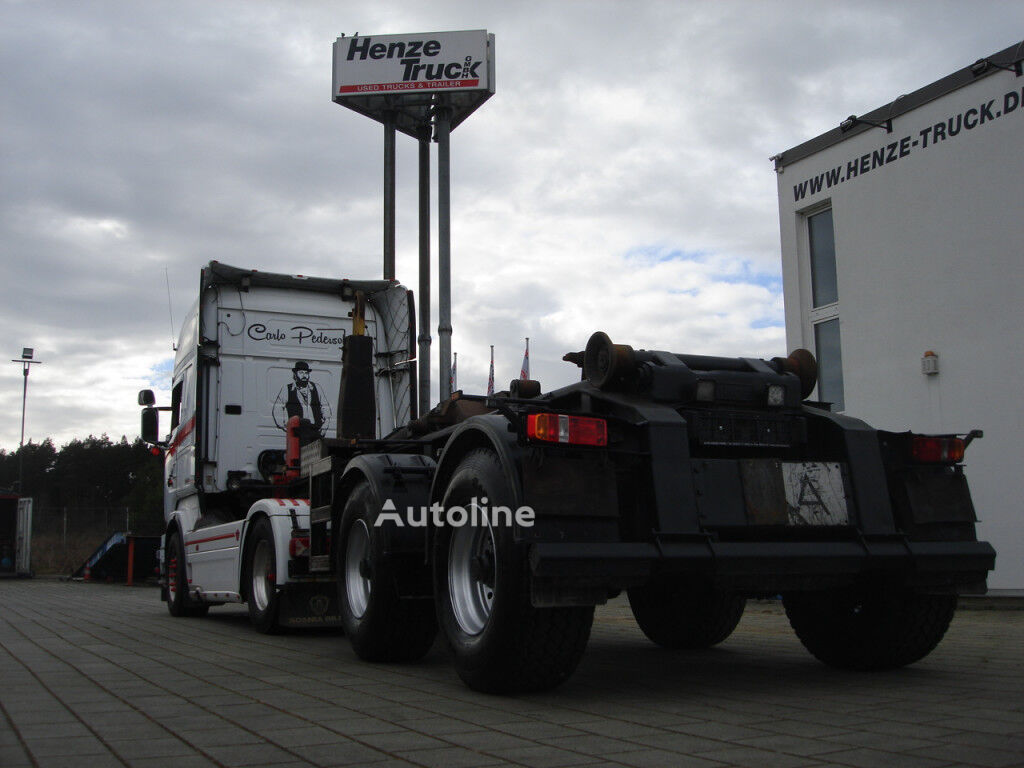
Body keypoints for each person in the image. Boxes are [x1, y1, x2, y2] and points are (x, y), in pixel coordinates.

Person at [273, 361, 333, 438]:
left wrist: (324, 427)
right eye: (301, 373)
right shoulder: (287, 389)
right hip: (298, 433)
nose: (304, 375)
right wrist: (287, 428)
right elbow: (277, 410)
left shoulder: (317, 387)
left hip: (316, 432)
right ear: (295, 374)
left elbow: (325, 408)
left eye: (306, 373)